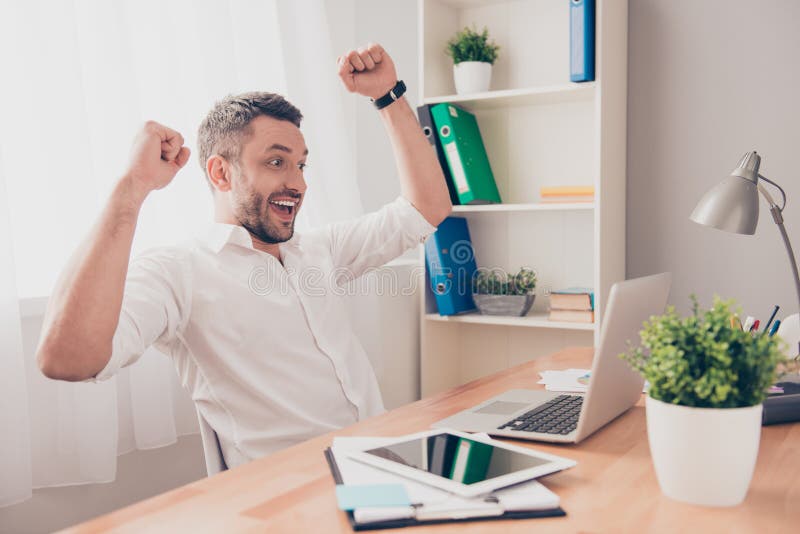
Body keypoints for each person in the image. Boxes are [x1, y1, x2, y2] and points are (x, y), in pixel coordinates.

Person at [36, 43, 452, 468]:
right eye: (276, 162)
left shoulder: (318, 251)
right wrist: (132, 187)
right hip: (291, 498)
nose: (298, 184)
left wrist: (388, 95)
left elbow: (427, 208)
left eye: (301, 166)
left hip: (382, 464)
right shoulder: (178, 272)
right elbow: (66, 358)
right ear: (220, 172)